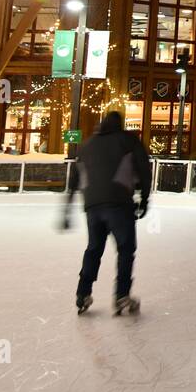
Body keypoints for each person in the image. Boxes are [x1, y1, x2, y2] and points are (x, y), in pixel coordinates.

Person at [62, 111, 151, 315]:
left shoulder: (86, 145)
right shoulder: (128, 141)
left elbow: (75, 178)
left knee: (93, 248)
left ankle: (83, 292)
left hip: (93, 206)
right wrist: (144, 199)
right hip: (119, 204)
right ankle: (122, 295)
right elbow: (144, 170)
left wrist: (67, 210)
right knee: (126, 249)